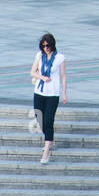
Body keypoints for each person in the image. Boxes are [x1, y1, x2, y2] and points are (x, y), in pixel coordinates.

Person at [30, 32, 67, 165]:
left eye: (47, 45)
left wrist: (64, 93)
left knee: (48, 120)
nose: (45, 48)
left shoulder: (60, 58)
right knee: (39, 118)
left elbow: (63, 76)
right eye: (43, 45)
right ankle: (49, 139)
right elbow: (32, 71)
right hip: (39, 91)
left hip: (53, 94)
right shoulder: (39, 56)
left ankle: (46, 151)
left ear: (52, 45)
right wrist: (42, 77)